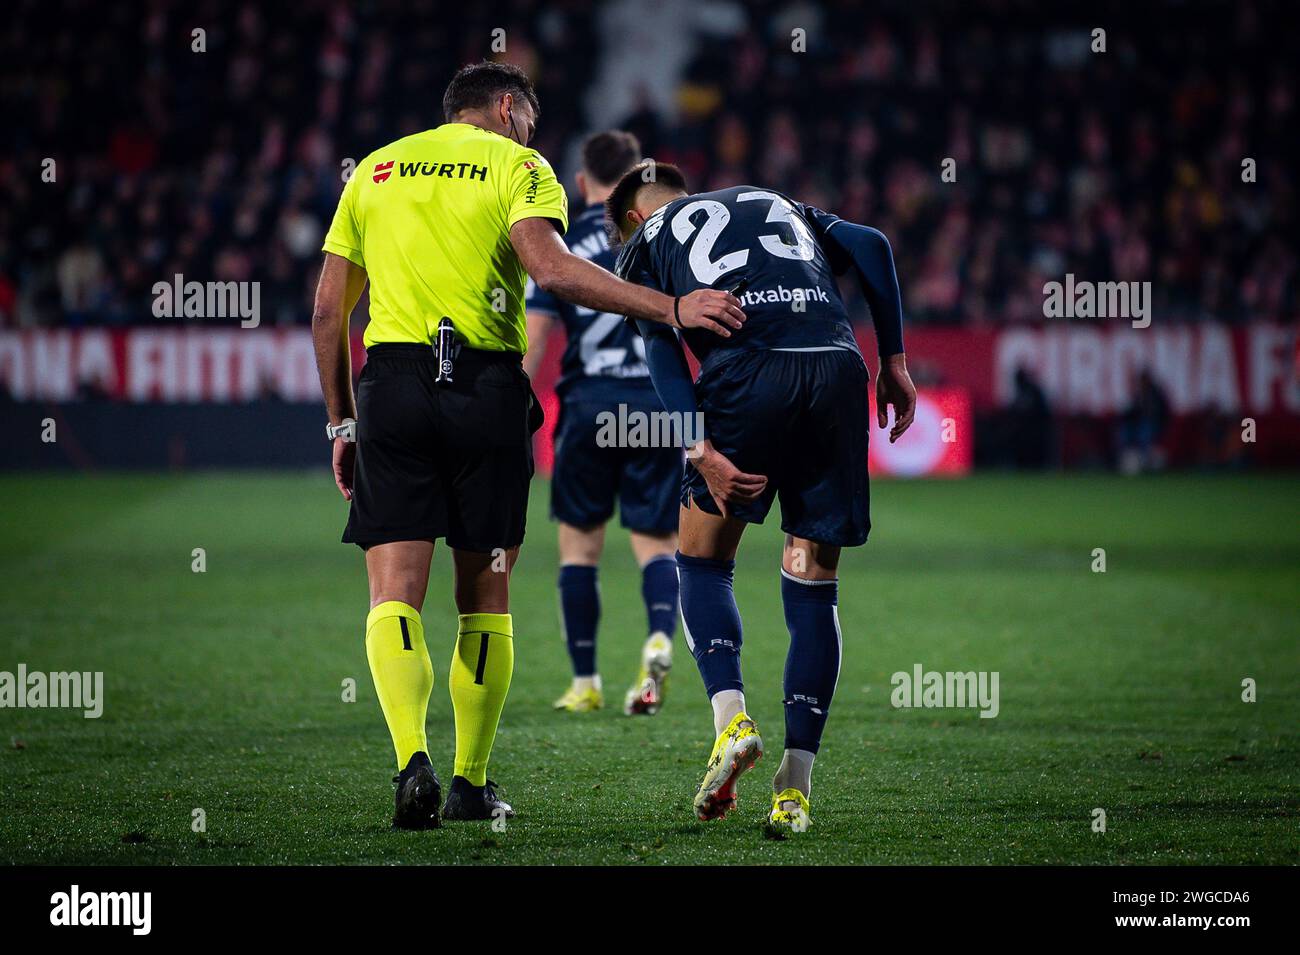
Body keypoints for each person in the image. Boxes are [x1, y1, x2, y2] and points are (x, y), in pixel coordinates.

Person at [311, 65, 745, 831]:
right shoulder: (518, 165)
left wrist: (343, 425)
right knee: (485, 594)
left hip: (394, 384)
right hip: (483, 388)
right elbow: (552, 270)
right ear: (508, 108)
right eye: (529, 121)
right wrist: (671, 306)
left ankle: (410, 756)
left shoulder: (374, 169)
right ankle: (469, 782)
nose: (533, 137)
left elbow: (325, 315)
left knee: (393, 590)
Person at [609, 161, 916, 835]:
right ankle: (794, 786)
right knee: (813, 584)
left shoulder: (645, 242)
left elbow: (663, 352)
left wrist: (700, 449)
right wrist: (893, 360)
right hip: (836, 367)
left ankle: (732, 722)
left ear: (630, 216)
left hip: (749, 375)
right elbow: (872, 245)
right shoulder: (777, 201)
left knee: (702, 560)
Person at [523, 131, 681, 717]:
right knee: (658, 544)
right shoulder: (658, 238)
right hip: (655, 405)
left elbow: (534, 341)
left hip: (588, 406)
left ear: (581, 182)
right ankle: (658, 641)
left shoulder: (558, 249)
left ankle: (585, 681)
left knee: (579, 551)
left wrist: (513, 407)